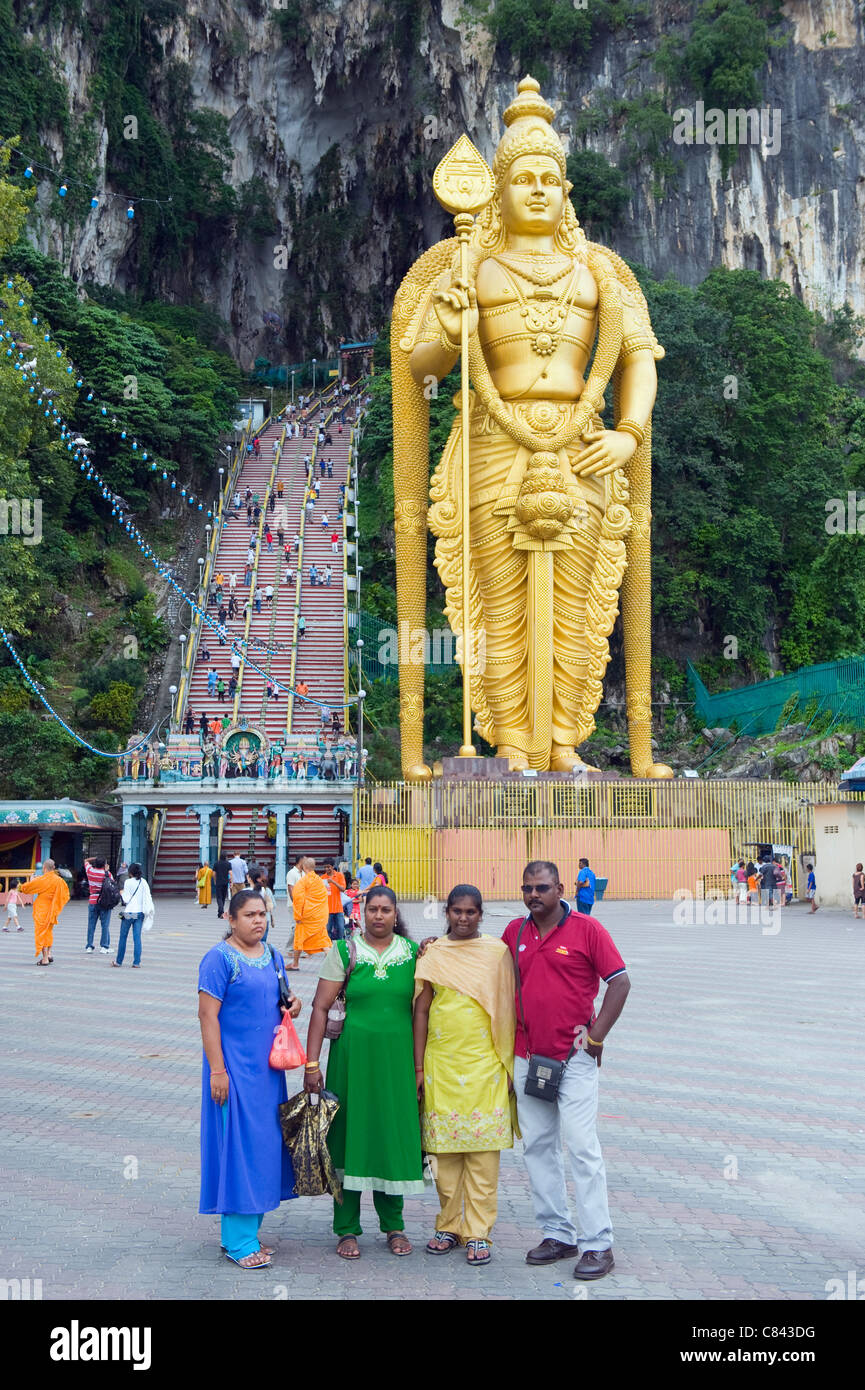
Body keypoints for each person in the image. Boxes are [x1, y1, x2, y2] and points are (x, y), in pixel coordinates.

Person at [502, 860, 630, 1280]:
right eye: (527, 888)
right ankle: (558, 1234)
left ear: (560, 888)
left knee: (581, 1147)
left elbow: (620, 981)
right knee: (538, 1146)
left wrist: (595, 1037)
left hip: (574, 1059)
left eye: (541, 887)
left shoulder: (588, 930)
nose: (533, 895)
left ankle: (598, 1244)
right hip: (527, 1056)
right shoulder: (514, 933)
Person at [305, 885, 423, 1258]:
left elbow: (421, 1013)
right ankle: (346, 1229)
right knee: (348, 1137)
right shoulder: (344, 951)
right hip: (351, 1061)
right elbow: (320, 1008)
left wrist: (420, 1067)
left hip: (398, 1062)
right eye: (372, 909)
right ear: (362, 912)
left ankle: (394, 1226)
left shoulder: (415, 955)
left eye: (385, 910)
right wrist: (312, 1064)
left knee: (391, 1136)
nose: (378, 916)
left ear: (395, 913)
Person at [198, 890, 301, 1268]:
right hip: (233, 1072)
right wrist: (218, 1071)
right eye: (249, 915)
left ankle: (249, 1233)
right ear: (230, 918)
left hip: (268, 1072)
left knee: (264, 1147)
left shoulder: (273, 956)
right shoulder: (218, 958)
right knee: (237, 1148)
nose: (258, 921)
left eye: (262, 914)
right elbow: (207, 1017)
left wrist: (294, 1004)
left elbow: (283, 1000)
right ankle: (238, 1243)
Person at [414, 885, 516, 1264]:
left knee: (483, 1154)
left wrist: (508, 1064)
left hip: (486, 1065)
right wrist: (419, 1066)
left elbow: (508, 1007)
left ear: (481, 914)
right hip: (441, 1064)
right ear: (446, 913)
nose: (463, 918)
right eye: (456, 911)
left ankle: (478, 1233)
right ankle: (448, 1225)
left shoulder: (497, 954)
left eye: (471, 912)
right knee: (443, 1153)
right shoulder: (434, 952)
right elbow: (421, 1010)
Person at [18, 859, 70, 965]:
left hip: (42, 909)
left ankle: (45, 958)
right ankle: (49, 953)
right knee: (48, 932)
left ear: (44, 868)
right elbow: (65, 895)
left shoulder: (42, 879)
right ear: (53, 868)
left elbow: (26, 888)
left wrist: (31, 881)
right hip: (52, 910)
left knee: (41, 933)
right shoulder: (59, 880)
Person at [288, 857, 330, 970]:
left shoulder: (303, 881)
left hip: (306, 917)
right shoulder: (320, 881)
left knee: (299, 938)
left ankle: (295, 964)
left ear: (303, 867)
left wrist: (297, 916)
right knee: (323, 940)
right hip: (320, 916)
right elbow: (324, 898)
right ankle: (334, 965)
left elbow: (298, 899)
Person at [113, 863, 153, 969]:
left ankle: (118, 961)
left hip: (129, 913)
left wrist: (121, 893)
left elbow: (126, 899)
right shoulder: (143, 882)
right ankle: (136, 962)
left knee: (123, 937)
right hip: (140, 913)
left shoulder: (128, 882)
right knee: (137, 938)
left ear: (130, 872)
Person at [84, 856, 114, 954]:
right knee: (105, 925)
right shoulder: (107, 874)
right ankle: (104, 946)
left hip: (92, 900)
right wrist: (106, 870)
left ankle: (89, 946)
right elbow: (112, 885)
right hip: (105, 902)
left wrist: (95, 858)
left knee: (91, 925)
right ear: (104, 865)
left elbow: (85, 861)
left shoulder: (90, 871)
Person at [249, 865, 276, 943]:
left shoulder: (248, 891)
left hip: (252, 920)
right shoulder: (267, 891)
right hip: (265, 919)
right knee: (262, 942)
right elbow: (273, 905)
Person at [323, 860, 347, 940]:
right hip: (327, 909)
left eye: (328, 867)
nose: (327, 869)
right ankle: (329, 950)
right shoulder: (322, 878)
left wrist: (333, 882)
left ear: (333, 867)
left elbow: (343, 889)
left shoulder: (339, 875)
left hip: (338, 908)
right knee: (327, 930)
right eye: (325, 867)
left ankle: (340, 947)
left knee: (341, 929)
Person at [212, 853, 231, 919]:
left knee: (219, 897)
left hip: (219, 883)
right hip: (225, 883)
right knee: (223, 897)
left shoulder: (216, 864)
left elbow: (214, 873)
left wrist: (215, 880)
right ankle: (220, 911)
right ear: (225, 857)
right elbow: (230, 873)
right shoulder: (228, 864)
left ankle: (221, 910)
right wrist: (231, 881)